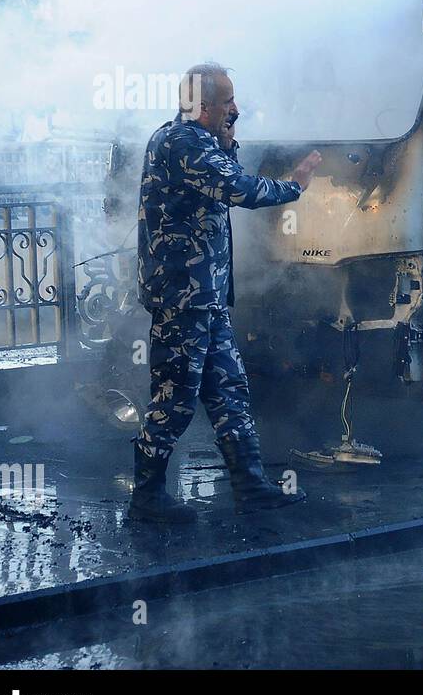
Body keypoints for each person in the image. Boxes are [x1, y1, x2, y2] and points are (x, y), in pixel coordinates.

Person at [130, 63, 323, 522]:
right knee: (175, 397)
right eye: (227, 102)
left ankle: (251, 486)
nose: (235, 108)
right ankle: (146, 498)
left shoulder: (196, 141)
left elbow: (225, 172)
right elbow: (238, 188)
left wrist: (228, 134)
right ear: (201, 106)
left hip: (205, 296)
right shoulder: (181, 142)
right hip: (184, 296)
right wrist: (294, 185)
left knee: (229, 390)